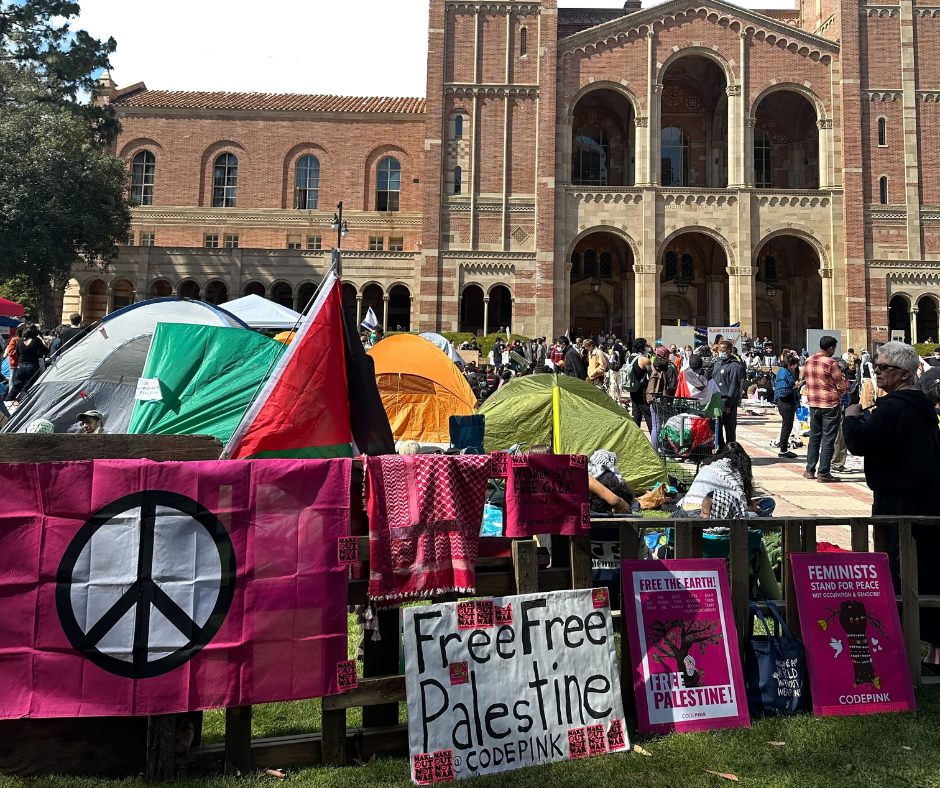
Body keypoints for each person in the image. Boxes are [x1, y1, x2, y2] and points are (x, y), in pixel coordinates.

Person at [843, 342, 940, 673]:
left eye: (883, 368)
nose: (877, 372)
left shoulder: (894, 407)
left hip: (899, 501)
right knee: (927, 573)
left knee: (899, 573)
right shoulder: (922, 406)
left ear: (904, 374)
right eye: (877, 367)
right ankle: (933, 652)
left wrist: (852, 418)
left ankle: (899, 651)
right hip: (926, 500)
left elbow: (859, 442)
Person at [679, 442, 775, 517]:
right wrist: (751, 507)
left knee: (766, 502)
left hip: (685, 508)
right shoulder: (732, 474)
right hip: (705, 513)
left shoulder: (709, 467)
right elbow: (740, 509)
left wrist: (750, 503)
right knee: (762, 508)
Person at [802, 335, 846, 483]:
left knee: (814, 437)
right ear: (830, 348)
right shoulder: (831, 363)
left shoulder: (808, 361)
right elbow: (840, 385)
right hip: (830, 404)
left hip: (814, 403)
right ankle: (823, 472)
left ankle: (809, 470)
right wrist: (843, 391)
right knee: (828, 438)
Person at [713, 340, 742, 449]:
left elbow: (734, 386)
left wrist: (728, 404)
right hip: (716, 400)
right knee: (717, 427)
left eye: (723, 351)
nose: (721, 353)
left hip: (727, 400)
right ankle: (720, 450)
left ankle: (731, 452)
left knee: (729, 429)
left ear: (729, 352)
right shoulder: (717, 363)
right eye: (719, 351)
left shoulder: (734, 366)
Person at [8, 325, 46, 401]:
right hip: (33, 366)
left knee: (16, 387)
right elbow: (44, 351)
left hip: (21, 366)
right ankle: (24, 403)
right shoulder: (36, 340)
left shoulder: (19, 340)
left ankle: (7, 402)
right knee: (28, 387)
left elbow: (18, 353)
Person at [774, 356, 801, 458]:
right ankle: (783, 450)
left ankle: (783, 448)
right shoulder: (785, 372)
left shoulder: (782, 371)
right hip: (785, 402)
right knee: (787, 425)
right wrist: (796, 384)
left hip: (784, 401)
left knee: (787, 425)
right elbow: (790, 385)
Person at [626, 337, 653, 431]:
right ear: (641, 348)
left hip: (633, 389)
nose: (647, 348)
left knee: (636, 416)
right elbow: (652, 375)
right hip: (643, 391)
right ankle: (654, 442)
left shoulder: (629, 359)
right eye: (646, 346)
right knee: (649, 416)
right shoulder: (644, 360)